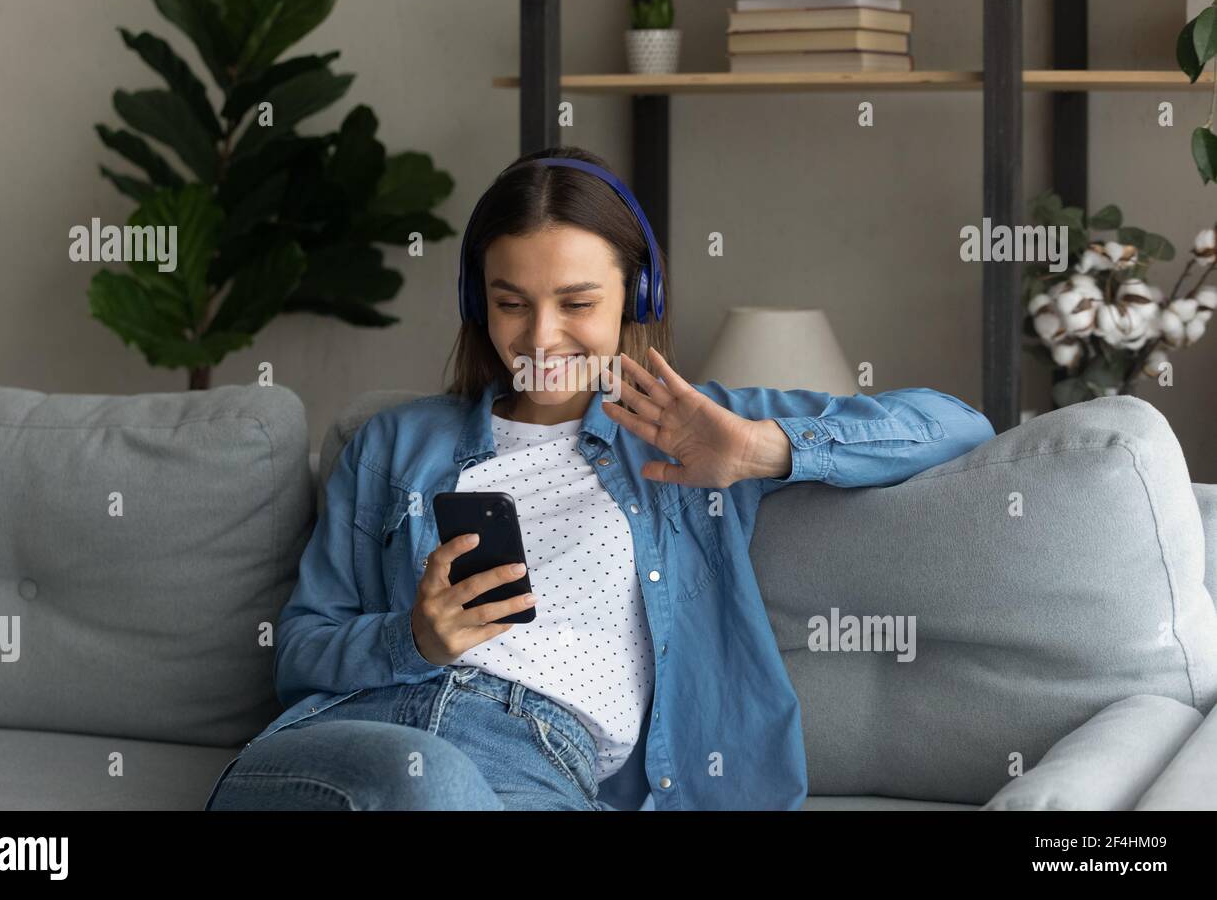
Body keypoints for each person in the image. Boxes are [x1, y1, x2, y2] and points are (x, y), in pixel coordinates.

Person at [204, 145, 995, 811]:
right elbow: (299, 651)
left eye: (577, 301)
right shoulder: (393, 444)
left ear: (636, 295)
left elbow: (954, 422)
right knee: (427, 780)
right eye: (510, 303)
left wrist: (759, 449)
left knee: (444, 788)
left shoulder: (700, 427)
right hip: (353, 744)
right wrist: (410, 638)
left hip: (539, 759)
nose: (540, 337)